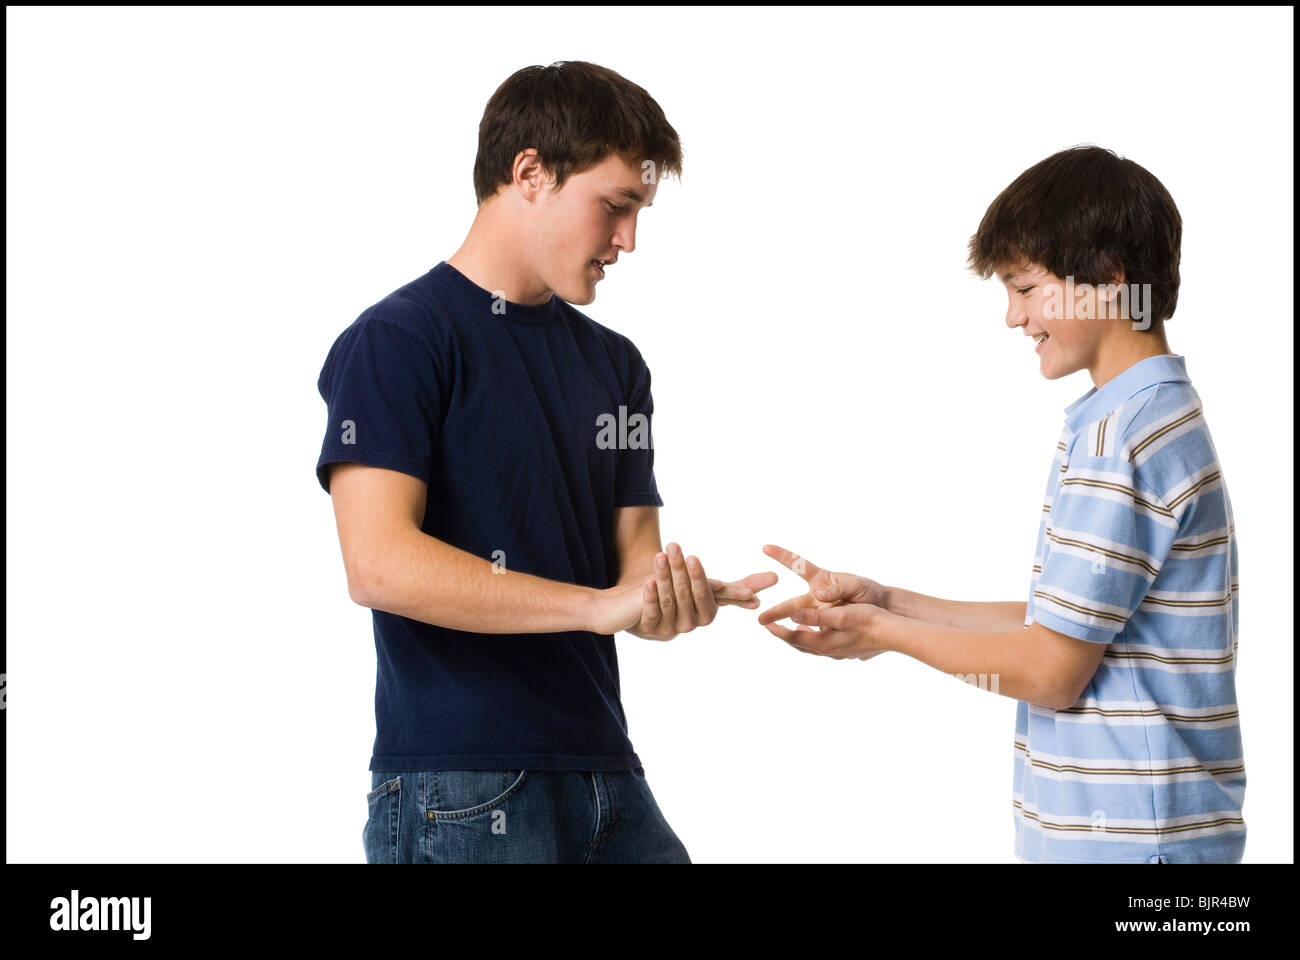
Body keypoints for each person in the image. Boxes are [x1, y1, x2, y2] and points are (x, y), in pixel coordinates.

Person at [316, 61, 776, 863]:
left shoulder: (620, 368)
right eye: (615, 207)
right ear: (529, 172)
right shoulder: (397, 342)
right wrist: (595, 606)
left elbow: (631, 569)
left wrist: (670, 598)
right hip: (463, 787)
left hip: (607, 770)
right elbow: (378, 565)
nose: (629, 240)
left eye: (639, 213)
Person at [759, 145, 1244, 863]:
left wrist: (880, 636)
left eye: (1025, 287)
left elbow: (1050, 672)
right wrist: (888, 603)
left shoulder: (1123, 437)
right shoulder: (1143, 418)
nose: (1013, 318)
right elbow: (1058, 628)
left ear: (1108, 280)